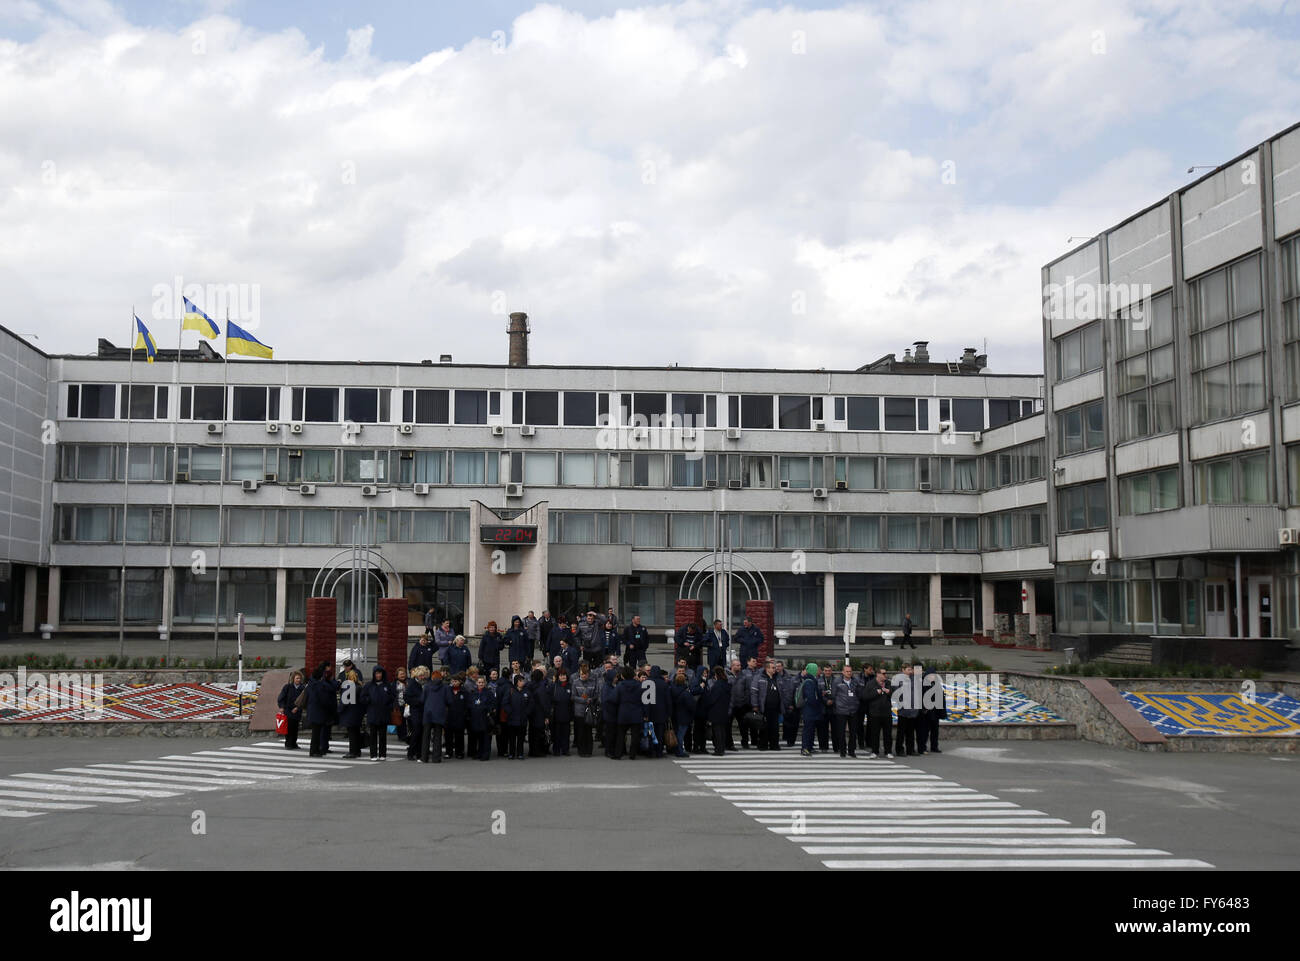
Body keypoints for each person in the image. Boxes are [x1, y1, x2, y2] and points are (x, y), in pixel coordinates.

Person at [361, 667, 395, 760]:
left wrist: (389, 706)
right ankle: (373, 754)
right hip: (372, 712)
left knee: (383, 735)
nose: (378, 675)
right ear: (374, 674)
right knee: (373, 735)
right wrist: (369, 700)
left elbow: (393, 697)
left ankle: (382, 754)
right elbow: (362, 698)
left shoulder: (387, 685)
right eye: (376, 673)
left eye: (380, 673)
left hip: (384, 712)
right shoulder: (369, 685)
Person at [831, 663, 862, 758]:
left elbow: (859, 693)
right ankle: (843, 751)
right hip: (841, 710)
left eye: (850, 671)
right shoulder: (837, 681)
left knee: (853, 732)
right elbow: (833, 695)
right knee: (841, 732)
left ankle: (851, 751)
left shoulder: (855, 681)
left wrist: (856, 704)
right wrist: (838, 705)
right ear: (843, 672)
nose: (849, 673)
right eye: (847, 671)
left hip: (853, 710)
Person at [751, 660, 783, 751]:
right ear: (767, 668)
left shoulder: (778, 678)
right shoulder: (759, 677)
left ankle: (774, 745)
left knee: (775, 727)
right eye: (773, 668)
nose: (775, 669)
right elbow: (754, 692)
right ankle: (763, 745)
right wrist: (755, 705)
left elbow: (783, 691)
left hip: (776, 708)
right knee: (764, 727)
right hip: (764, 707)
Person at [614, 666, 644, 759]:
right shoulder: (639, 685)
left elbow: (615, 699)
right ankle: (633, 754)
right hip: (636, 711)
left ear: (623, 676)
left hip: (623, 712)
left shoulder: (620, 686)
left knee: (621, 735)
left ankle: (618, 754)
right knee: (635, 735)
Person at [864, 667, 894, 759]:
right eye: (883, 673)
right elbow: (865, 696)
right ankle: (874, 751)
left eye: (885, 673)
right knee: (874, 733)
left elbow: (893, 693)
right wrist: (876, 692)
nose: (885, 675)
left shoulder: (888, 683)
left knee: (888, 733)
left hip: (886, 712)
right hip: (874, 713)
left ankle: (888, 751)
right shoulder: (870, 683)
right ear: (878, 674)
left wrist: (889, 692)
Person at [421, 670, 450, 763]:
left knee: (426, 736)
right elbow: (450, 701)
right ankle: (436, 758)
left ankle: (424, 757)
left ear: (432, 677)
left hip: (428, 713)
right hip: (439, 713)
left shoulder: (427, 686)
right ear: (440, 678)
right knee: (437, 736)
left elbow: (422, 700)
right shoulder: (445, 687)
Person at [702, 666, 732, 756]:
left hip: (716, 710)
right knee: (722, 730)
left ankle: (718, 749)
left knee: (717, 731)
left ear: (716, 674)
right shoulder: (726, 684)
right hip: (724, 710)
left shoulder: (717, 685)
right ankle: (722, 748)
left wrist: (706, 703)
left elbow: (712, 699)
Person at [917, 664, 947, 754]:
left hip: (935, 712)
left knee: (935, 731)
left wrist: (942, 711)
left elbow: (941, 697)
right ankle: (922, 748)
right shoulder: (923, 684)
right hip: (926, 712)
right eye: (931, 675)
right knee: (925, 731)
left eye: (934, 675)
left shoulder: (936, 684)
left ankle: (934, 746)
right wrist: (923, 709)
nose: (933, 677)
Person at [571, 662, 598, 757]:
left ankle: (589, 750)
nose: (583, 675)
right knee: (581, 732)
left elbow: (596, 694)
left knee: (588, 732)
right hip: (579, 711)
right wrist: (583, 700)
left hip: (589, 711)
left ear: (588, 674)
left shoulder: (593, 682)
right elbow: (573, 696)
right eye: (582, 674)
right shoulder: (575, 682)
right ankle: (581, 750)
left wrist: (591, 699)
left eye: (585, 674)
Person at [468, 675, 496, 761]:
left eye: (482, 682)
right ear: (476, 683)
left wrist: (488, 711)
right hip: (475, 718)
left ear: (485, 683)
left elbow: (492, 704)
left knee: (485, 738)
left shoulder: (489, 693)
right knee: (478, 737)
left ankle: (485, 755)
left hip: (485, 718)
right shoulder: (473, 693)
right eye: (479, 682)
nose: (481, 684)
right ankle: (478, 753)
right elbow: (470, 704)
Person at [894, 664, 920, 756]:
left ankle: (911, 749)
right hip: (904, 710)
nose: (911, 671)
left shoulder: (914, 679)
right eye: (909, 670)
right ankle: (899, 749)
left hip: (913, 710)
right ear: (903, 670)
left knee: (911, 732)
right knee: (901, 732)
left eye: (911, 670)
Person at [798, 664, 824, 757]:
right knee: (808, 729)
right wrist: (818, 702)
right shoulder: (809, 682)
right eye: (817, 669)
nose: (819, 671)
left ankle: (809, 747)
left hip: (811, 710)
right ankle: (804, 748)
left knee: (811, 729)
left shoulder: (811, 680)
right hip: (810, 710)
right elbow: (811, 697)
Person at [338, 668, 365, 759]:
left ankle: (352, 751)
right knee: (356, 732)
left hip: (350, 713)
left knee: (352, 733)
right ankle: (357, 751)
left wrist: (339, 710)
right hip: (358, 712)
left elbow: (344, 701)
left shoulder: (349, 687)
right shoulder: (360, 687)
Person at [277, 670, 306, 750]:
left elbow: (304, 700)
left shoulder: (302, 688)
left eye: (299, 678)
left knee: (295, 728)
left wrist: (297, 708)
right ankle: (288, 743)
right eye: (297, 678)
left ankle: (294, 743)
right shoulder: (287, 687)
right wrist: (282, 707)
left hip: (297, 711)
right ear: (293, 679)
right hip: (288, 710)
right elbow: (281, 698)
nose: (298, 680)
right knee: (289, 727)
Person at [502, 675, 530, 759]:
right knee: (512, 738)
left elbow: (531, 703)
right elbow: (505, 703)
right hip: (512, 718)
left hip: (522, 718)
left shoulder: (527, 691)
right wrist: (510, 712)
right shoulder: (510, 691)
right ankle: (511, 753)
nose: (522, 682)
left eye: (523, 681)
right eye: (521, 681)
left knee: (521, 737)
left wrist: (526, 712)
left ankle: (520, 753)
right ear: (516, 682)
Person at [669, 670, 695, 758]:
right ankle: (680, 751)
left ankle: (676, 749)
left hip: (675, 715)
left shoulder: (671, 690)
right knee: (681, 735)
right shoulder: (685, 693)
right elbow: (691, 705)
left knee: (677, 733)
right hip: (684, 716)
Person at [646, 666, 670, 758]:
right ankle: (659, 751)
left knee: (651, 732)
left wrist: (645, 713)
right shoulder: (663, 683)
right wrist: (668, 712)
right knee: (660, 733)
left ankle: (651, 751)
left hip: (650, 712)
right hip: (661, 712)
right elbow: (668, 700)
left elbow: (646, 700)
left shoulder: (647, 683)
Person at [729, 657, 753, 749]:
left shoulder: (743, 676)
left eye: (740, 665)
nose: (739, 667)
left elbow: (747, 690)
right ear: (732, 666)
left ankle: (745, 742)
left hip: (741, 705)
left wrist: (745, 702)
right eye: (737, 665)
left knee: (744, 726)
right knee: (728, 725)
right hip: (730, 705)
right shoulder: (727, 675)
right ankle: (730, 744)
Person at [405, 666, 427, 760]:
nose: (423, 677)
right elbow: (407, 698)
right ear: (417, 675)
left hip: (424, 710)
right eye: (421, 675)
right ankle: (411, 751)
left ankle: (419, 752)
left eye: (424, 675)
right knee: (416, 731)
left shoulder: (426, 684)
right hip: (415, 710)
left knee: (422, 731)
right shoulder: (412, 684)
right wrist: (418, 701)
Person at [528, 668, 551, 757]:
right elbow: (544, 702)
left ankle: (532, 750)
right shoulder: (541, 688)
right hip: (539, 713)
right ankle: (537, 751)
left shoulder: (529, 686)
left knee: (532, 732)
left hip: (531, 712)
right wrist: (547, 715)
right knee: (539, 733)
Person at [445, 673, 468, 759]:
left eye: (456, 681)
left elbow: (467, 705)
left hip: (460, 717)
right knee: (448, 736)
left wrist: (464, 715)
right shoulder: (447, 690)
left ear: (460, 682)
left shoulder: (464, 691)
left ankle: (459, 752)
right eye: (453, 681)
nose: (454, 683)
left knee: (459, 736)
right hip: (449, 717)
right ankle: (448, 752)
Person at [550, 669, 573, 756]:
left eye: (564, 675)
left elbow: (572, 701)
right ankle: (556, 750)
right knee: (557, 733)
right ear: (558, 677)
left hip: (567, 713)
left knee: (566, 733)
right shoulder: (554, 686)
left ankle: (565, 750)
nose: (563, 677)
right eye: (561, 675)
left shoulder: (570, 686)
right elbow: (550, 699)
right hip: (556, 713)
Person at [601, 662, 621, 758]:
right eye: (615, 677)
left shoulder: (613, 686)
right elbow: (606, 701)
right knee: (610, 734)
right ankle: (609, 751)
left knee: (613, 734)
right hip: (610, 714)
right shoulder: (607, 687)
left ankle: (611, 750)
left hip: (613, 714)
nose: (616, 679)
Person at [815, 664, 834, 752]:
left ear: (831, 671)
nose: (827, 672)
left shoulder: (836, 680)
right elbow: (818, 694)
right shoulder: (818, 680)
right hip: (822, 707)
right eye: (826, 670)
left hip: (834, 707)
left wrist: (832, 700)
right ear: (823, 671)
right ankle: (823, 747)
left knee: (836, 729)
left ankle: (836, 747)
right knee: (822, 729)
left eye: (829, 670)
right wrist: (826, 701)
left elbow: (839, 692)